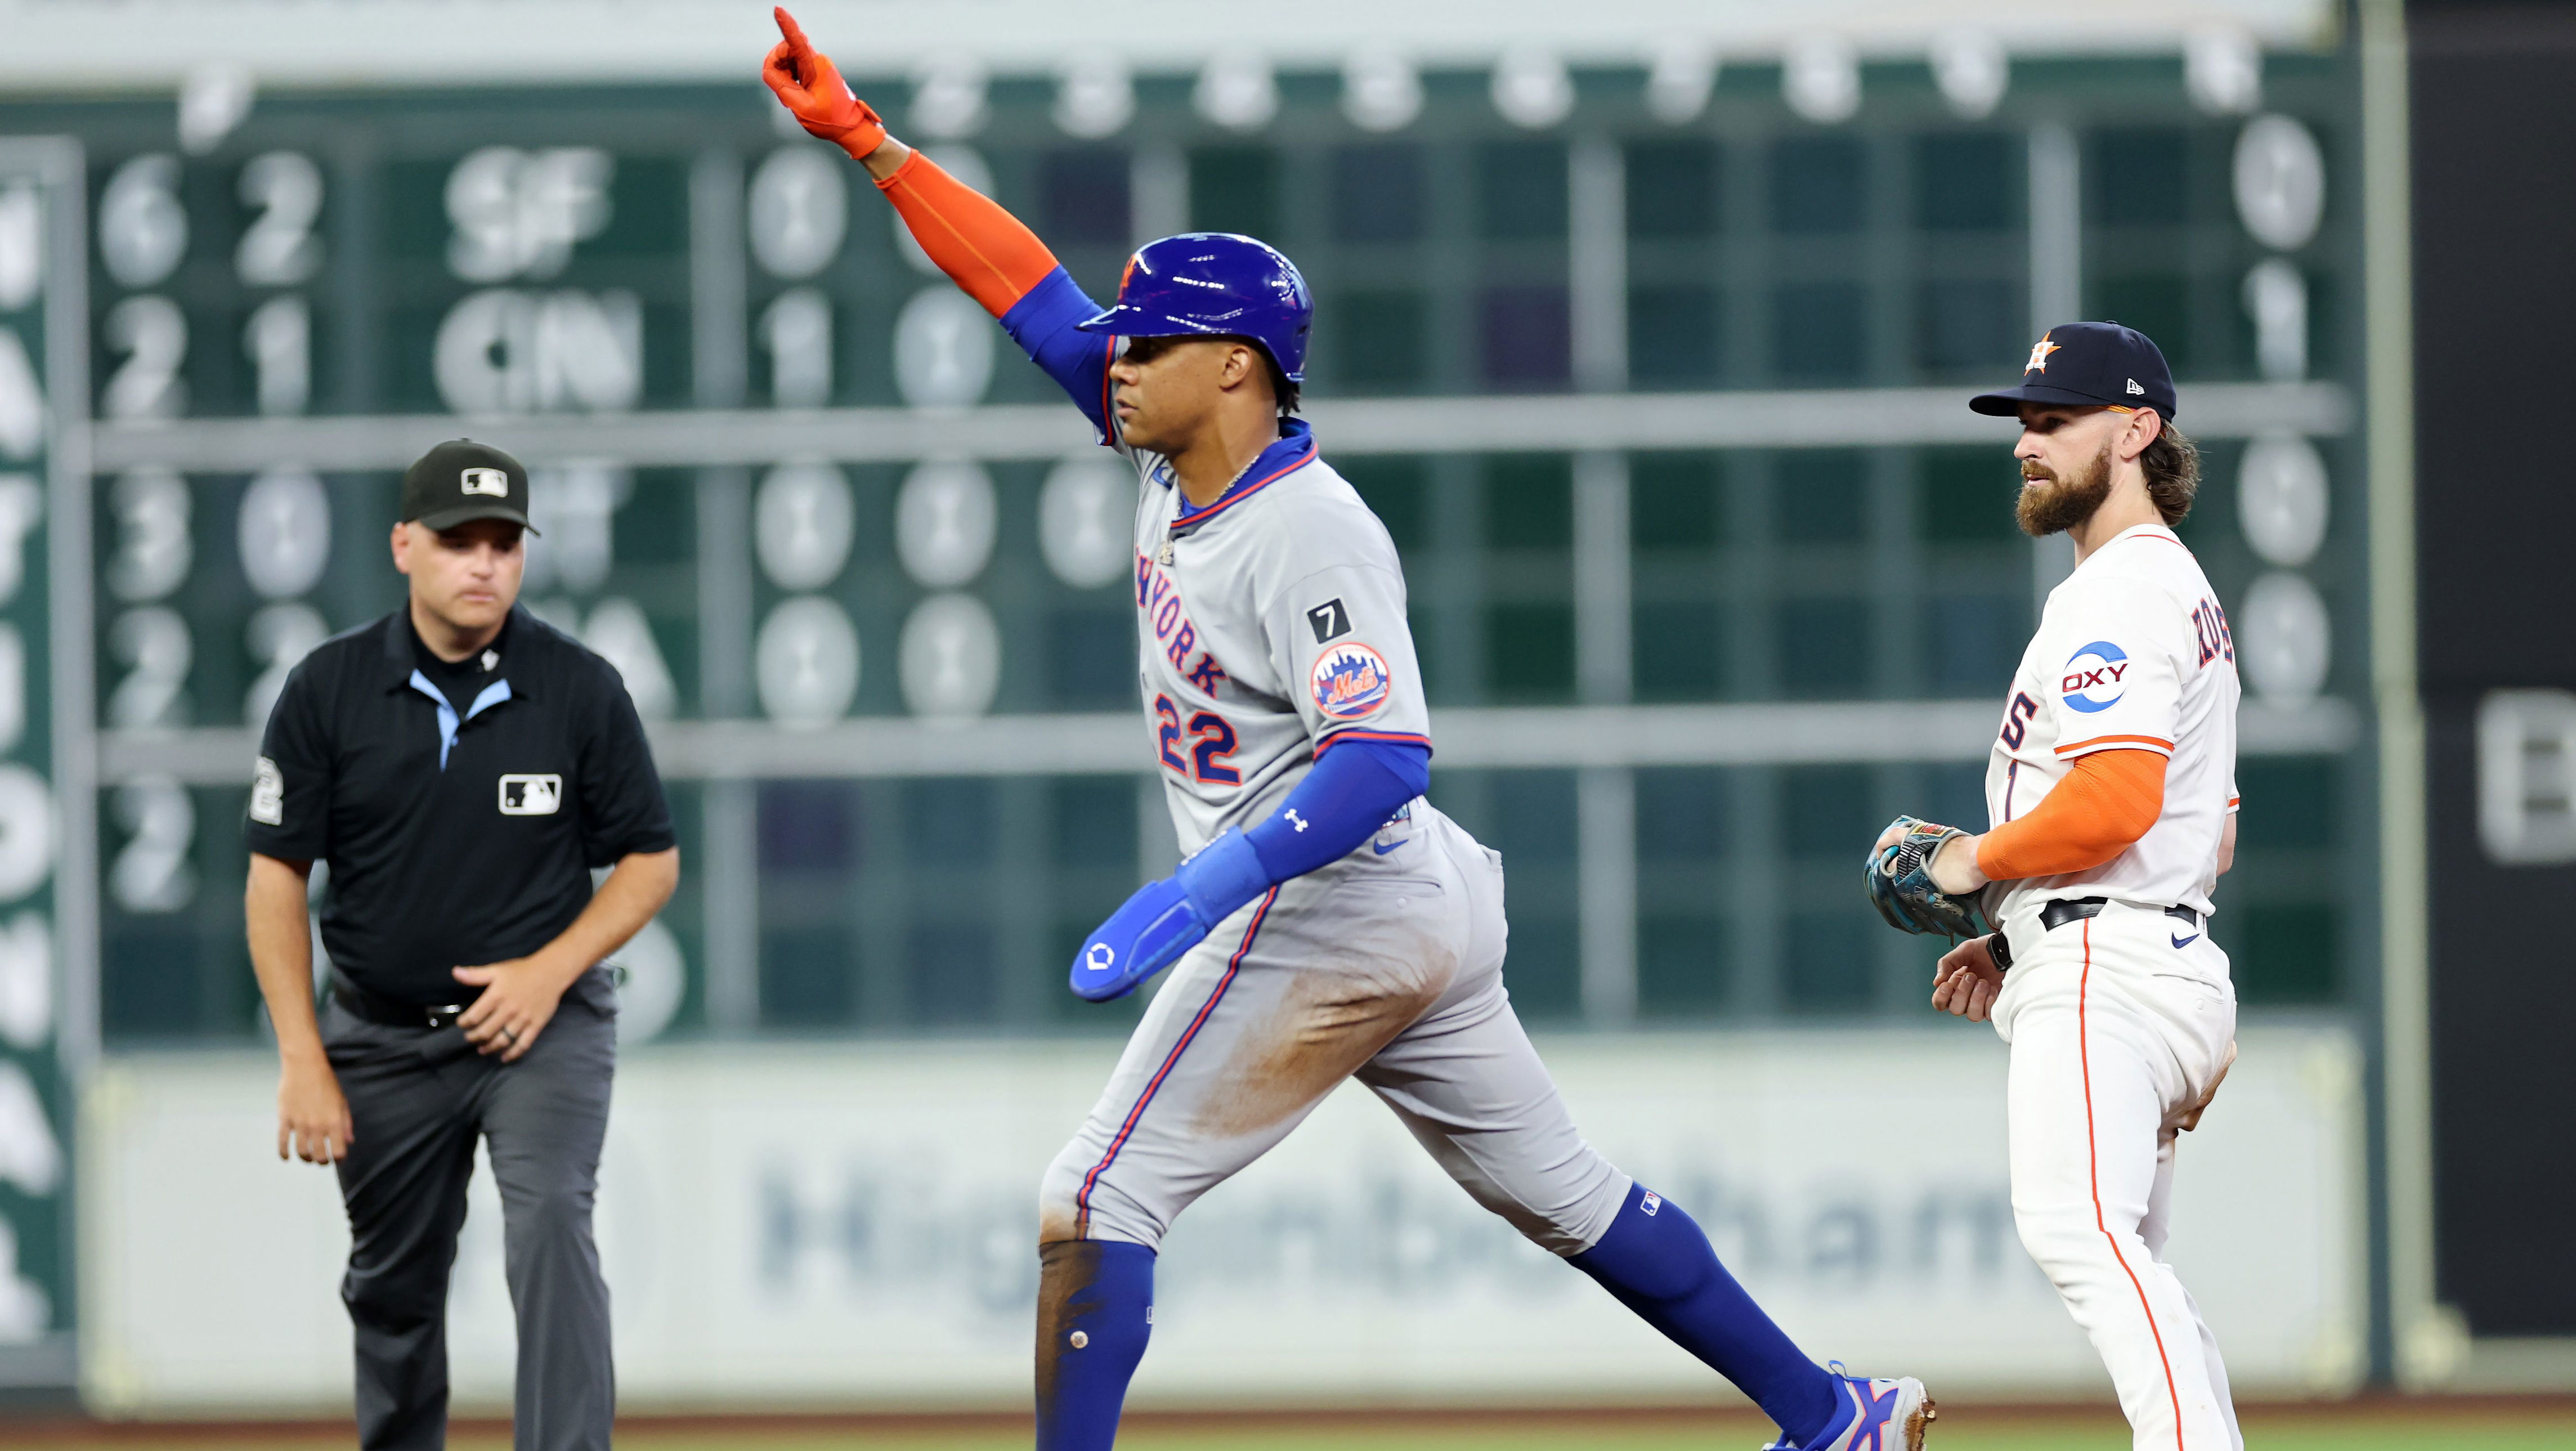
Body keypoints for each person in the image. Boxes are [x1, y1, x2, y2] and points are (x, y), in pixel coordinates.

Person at [761, 13, 1931, 1450]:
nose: (1115, 359)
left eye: (1153, 342)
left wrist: (1198, 890)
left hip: (1330, 894)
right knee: (1565, 1192)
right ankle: (1833, 1414)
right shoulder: (1167, 444)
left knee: (1097, 1193)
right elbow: (1031, 292)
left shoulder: (1309, 529)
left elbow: (1382, 759)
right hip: (1411, 903)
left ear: (1241, 365)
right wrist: (874, 145)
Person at [243, 439, 680, 1451]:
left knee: (551, 1237)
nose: (482, 562)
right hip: (383, 1037)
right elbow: (275, 878)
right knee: (392, 1288)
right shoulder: (327, 689)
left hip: (542, 1028)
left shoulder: (577, 687)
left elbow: (650, 863)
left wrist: (548, 970)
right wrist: (302, 1054)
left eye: (503, 543)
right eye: (456, 541)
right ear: (405, 545)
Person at [1866, 323, 2242, 1450]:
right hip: (2142, 953)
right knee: (2133, 1261)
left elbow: (2121, 801)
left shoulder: (2123, 588)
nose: (2028, 444)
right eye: (2025, 424)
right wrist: (2016, 931)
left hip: (2112, 972)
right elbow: (2206, 831)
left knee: (2078, 1230)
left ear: (2137, 431)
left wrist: (1977, 863)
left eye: (2056, 421)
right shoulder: (2172, 592)